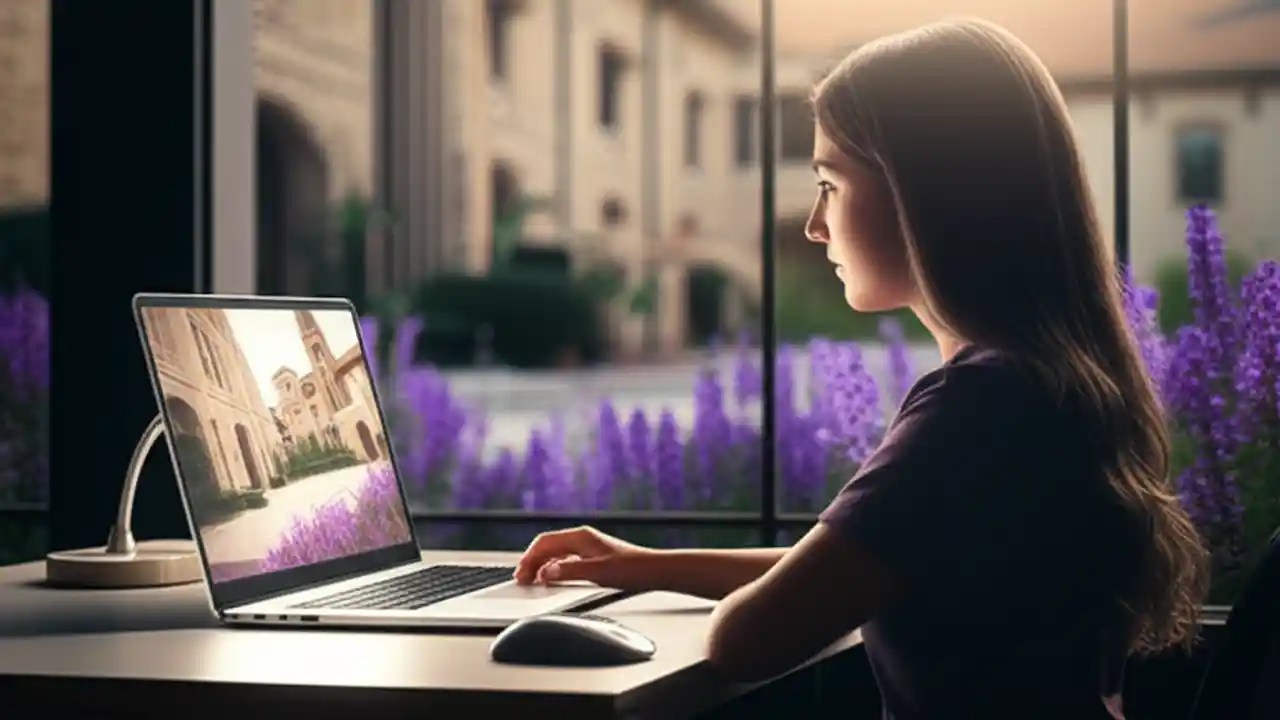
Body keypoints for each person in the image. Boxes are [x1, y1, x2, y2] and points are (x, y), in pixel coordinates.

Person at [513, 17, 1209, 719]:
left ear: (926, 192)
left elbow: (747, 642)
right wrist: (639, 567)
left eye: (831, 183)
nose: (816, 224)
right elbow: (867, 564)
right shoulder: (1055, 381)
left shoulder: (978, 406)